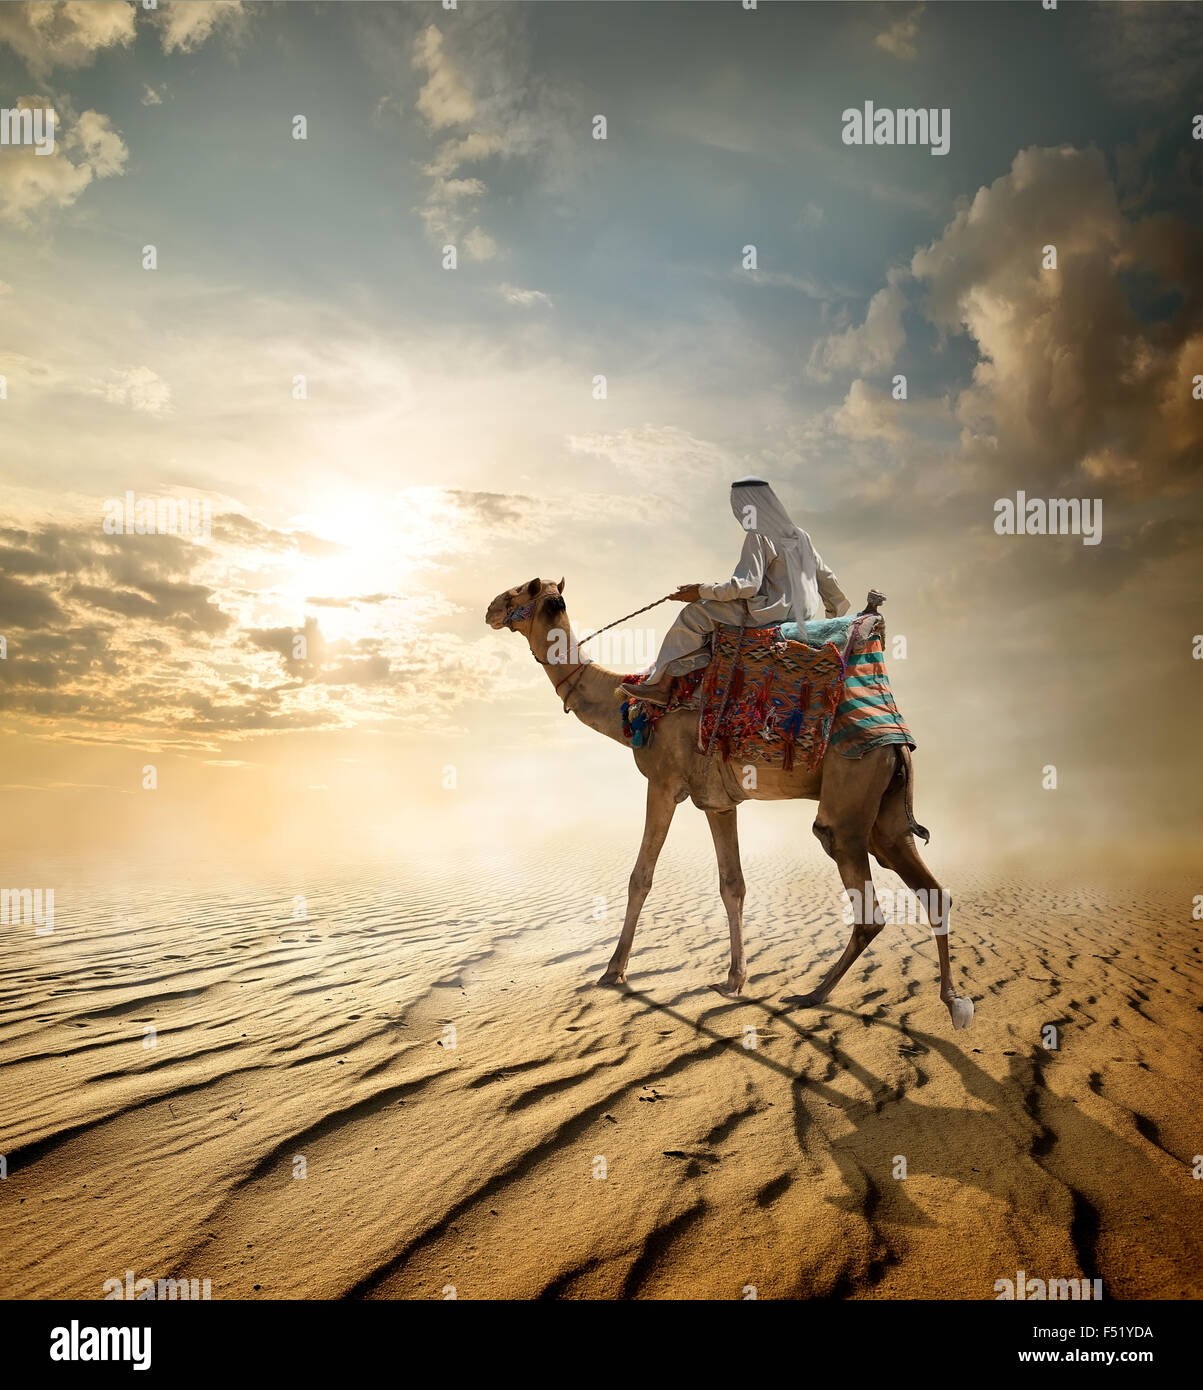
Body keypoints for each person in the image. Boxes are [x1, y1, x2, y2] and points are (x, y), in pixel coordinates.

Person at [621, 477, 850, 706]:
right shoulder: (800, 535)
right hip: (804, 615)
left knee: (695, 615)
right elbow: (826, 577)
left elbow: (746, 586)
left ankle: (661, 686)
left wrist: (700, 592)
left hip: (768, 612)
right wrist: (835, 616)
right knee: (708, 608)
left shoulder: (759, 533)